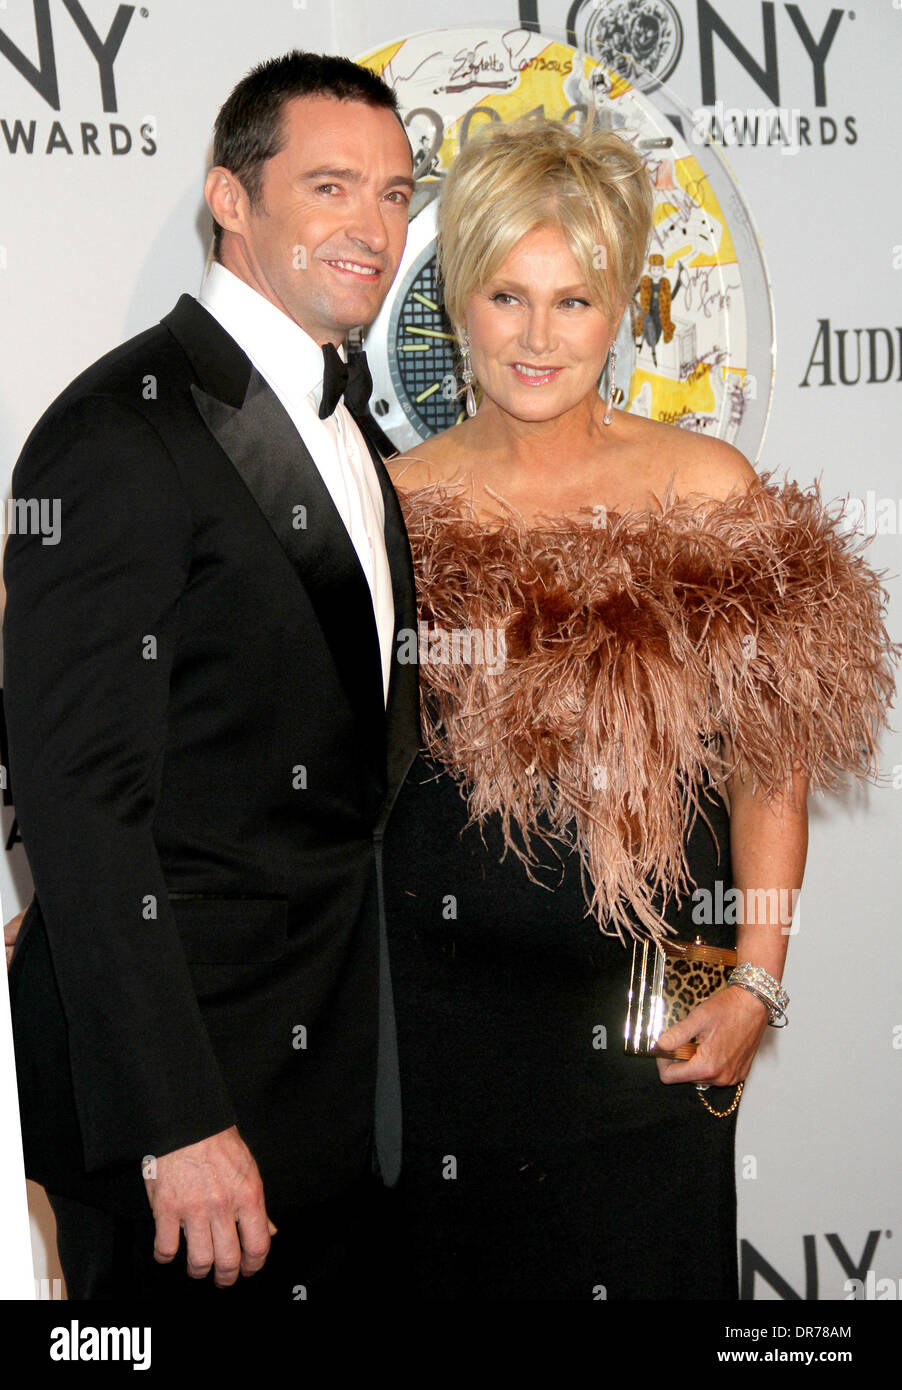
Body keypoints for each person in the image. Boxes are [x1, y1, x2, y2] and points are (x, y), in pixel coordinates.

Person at [381, 117, 898, 1299]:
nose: (536, 336)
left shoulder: (705, 489)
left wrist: (755, 980)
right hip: (431, 1033)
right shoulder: (388, 503)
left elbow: (771, 762)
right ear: (457, 298)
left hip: (643, 1033)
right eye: (506, 295)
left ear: (620, 306)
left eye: (573, 300)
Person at [3, 51, 419, 1300]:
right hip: (183, 1120)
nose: (373, 227)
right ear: (228, 200)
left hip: (330, 1085)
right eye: (331, 185)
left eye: (396, 194)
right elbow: (77, 805)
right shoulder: (116, 432)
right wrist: (174, 1122)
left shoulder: (353, 428)